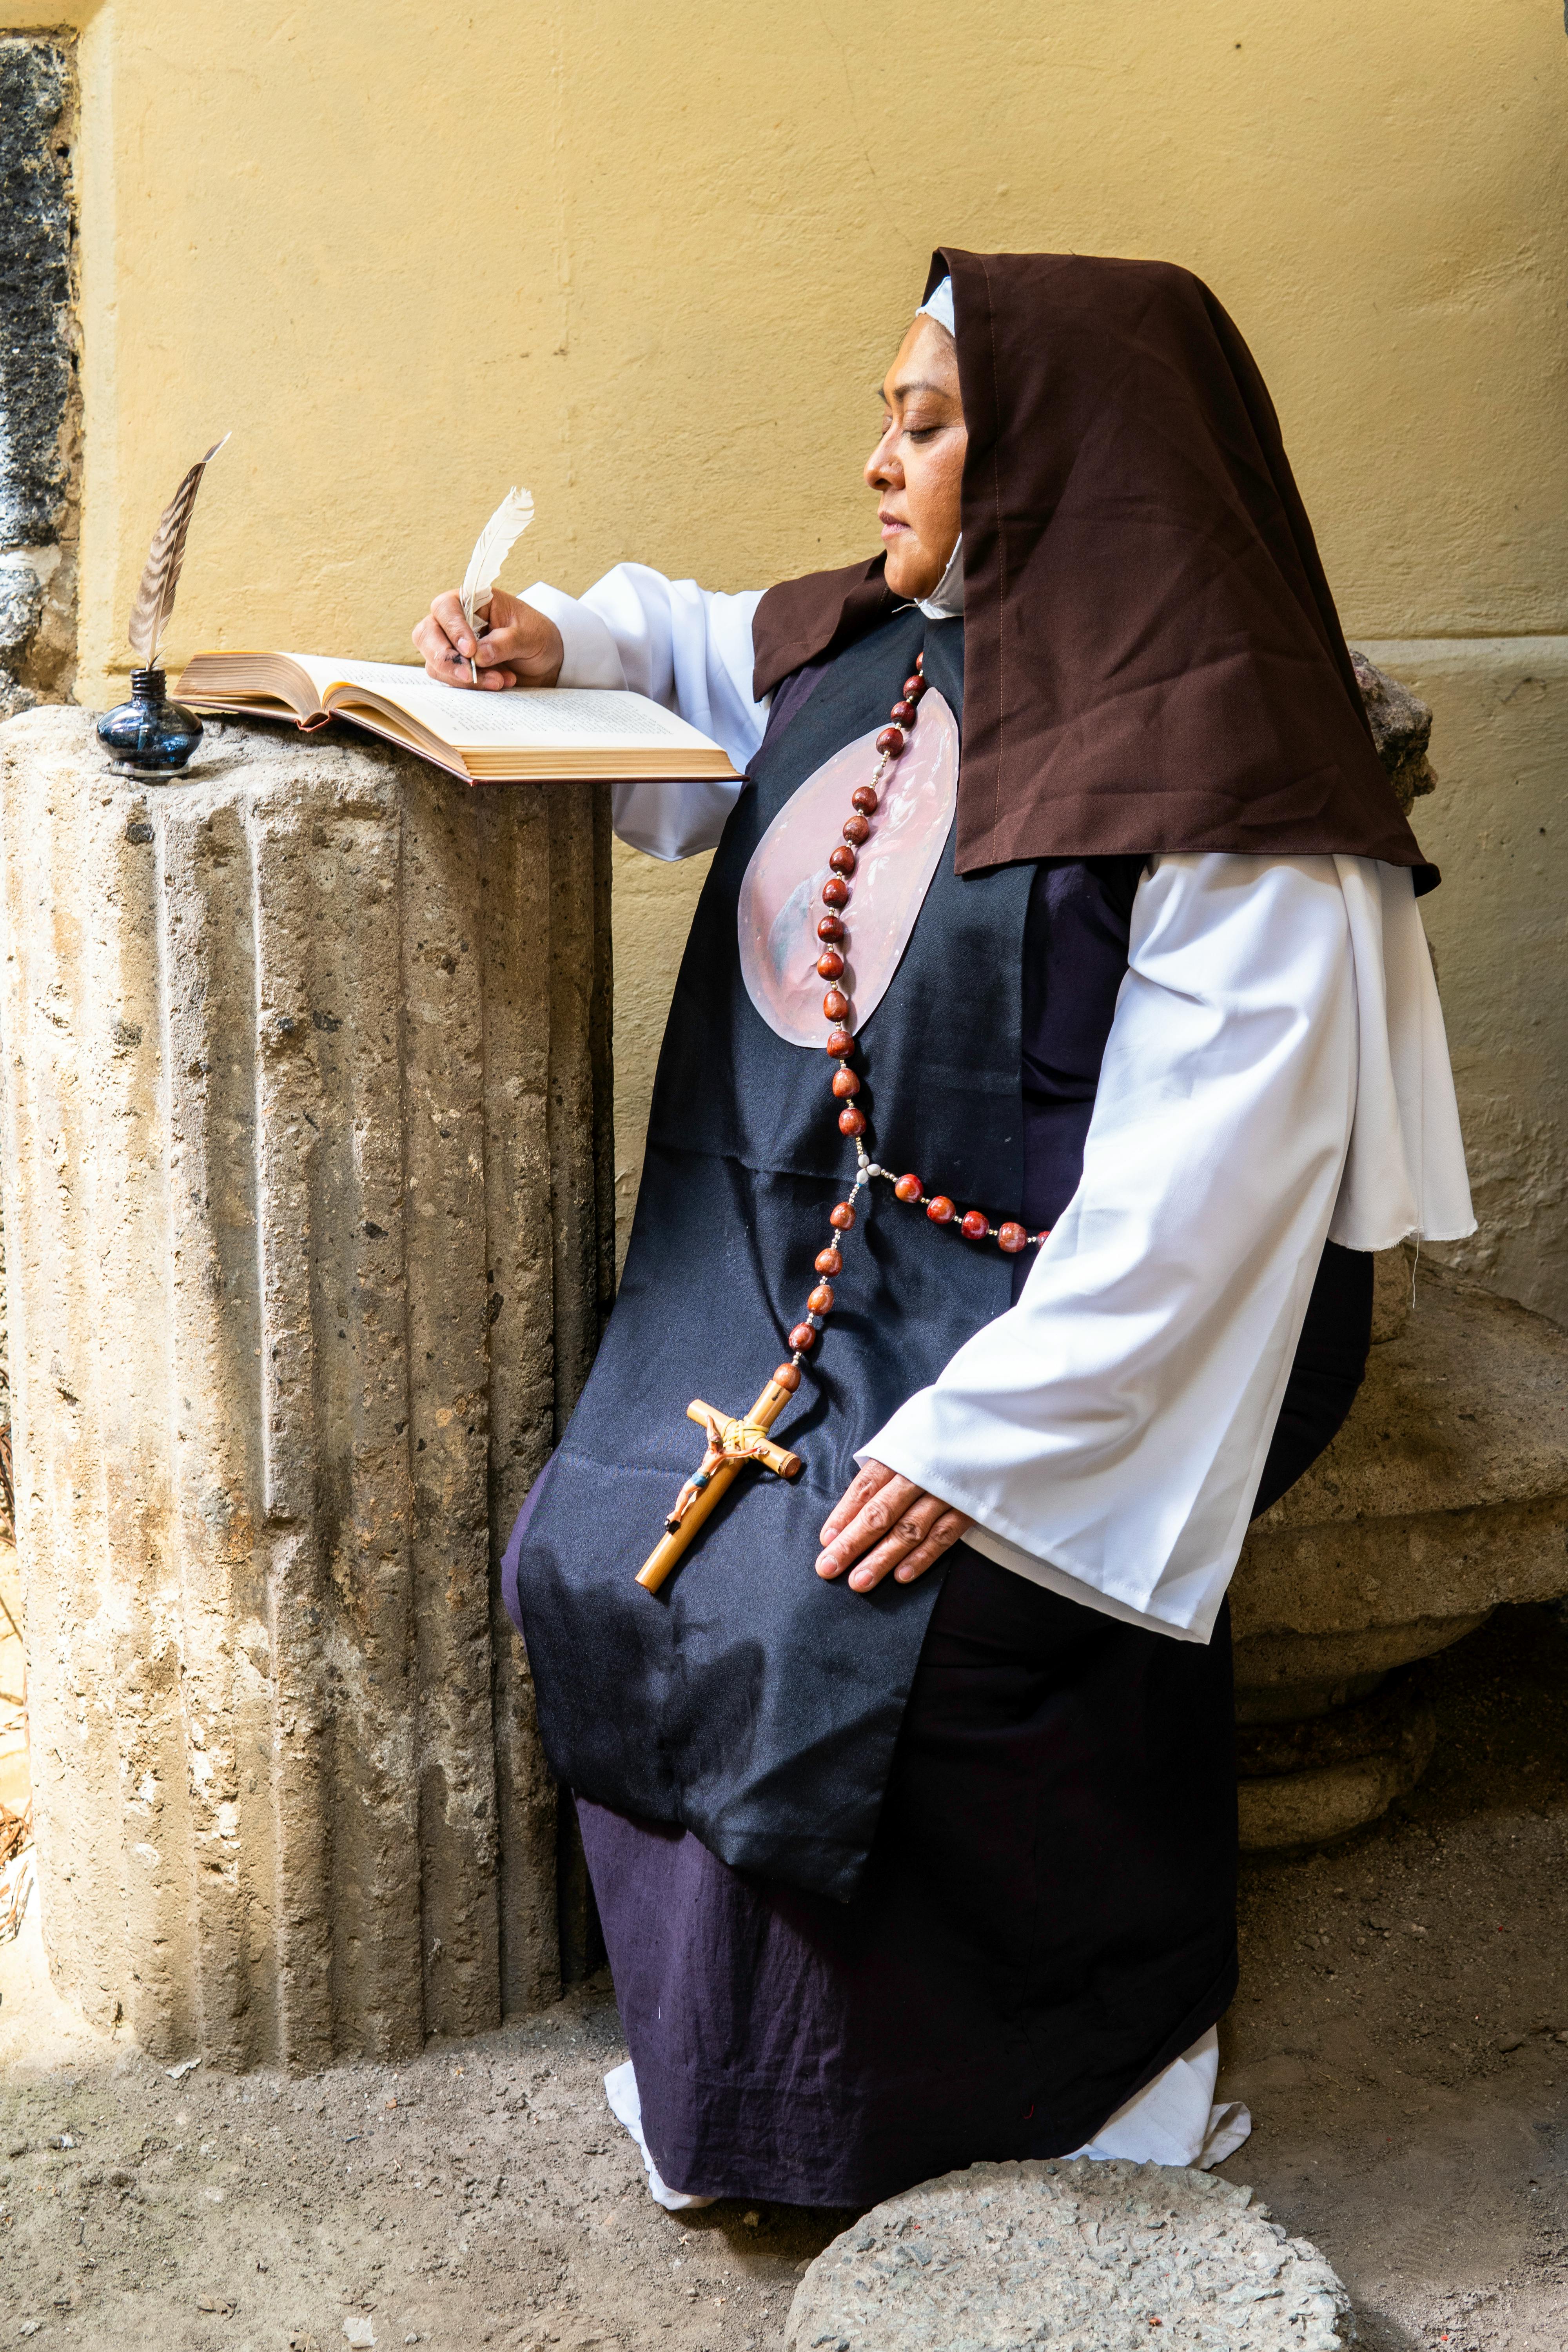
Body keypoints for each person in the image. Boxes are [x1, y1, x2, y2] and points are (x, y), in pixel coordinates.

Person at [414, 249, 1473, 2211]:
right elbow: (687, 636)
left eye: (921, 425)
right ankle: (736, 2082)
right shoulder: (873, 640)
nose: (873, 462)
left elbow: (1211, 1192)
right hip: (802, 1296)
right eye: (885, 419)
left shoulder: (1224, 767)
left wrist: (983, 1443)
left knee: (843, 1606)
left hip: (1081, 1338)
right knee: (589, 1533)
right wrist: (543, 629)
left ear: (1062, 458)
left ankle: (965, 2086)